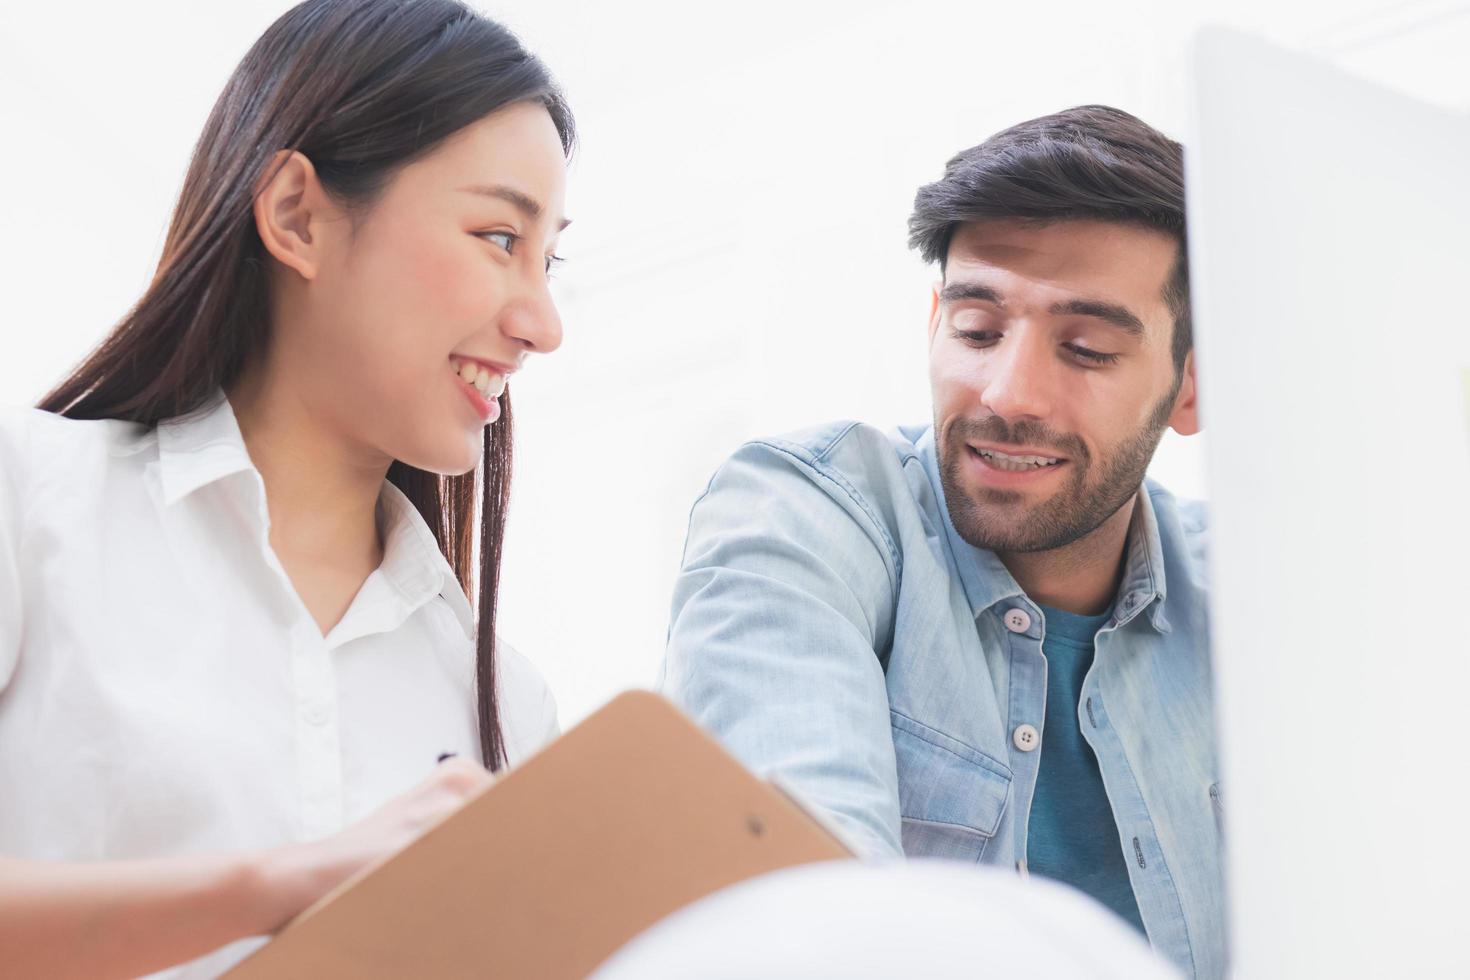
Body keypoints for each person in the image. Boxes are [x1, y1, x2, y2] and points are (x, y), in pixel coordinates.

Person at [0, 1, 572, 976]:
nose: (543, 321)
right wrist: (281, 887)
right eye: (497, 236)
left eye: (548, 257)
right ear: (298, 215)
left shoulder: (508, 704)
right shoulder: (34, 504)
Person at [661, 106, 1224, 979]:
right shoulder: (804, 514)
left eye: (1084, 348)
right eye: (978, 329)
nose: (1008, 392)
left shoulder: (1251, 592)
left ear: (1192, 387)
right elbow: (807, 911)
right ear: (935, 323)